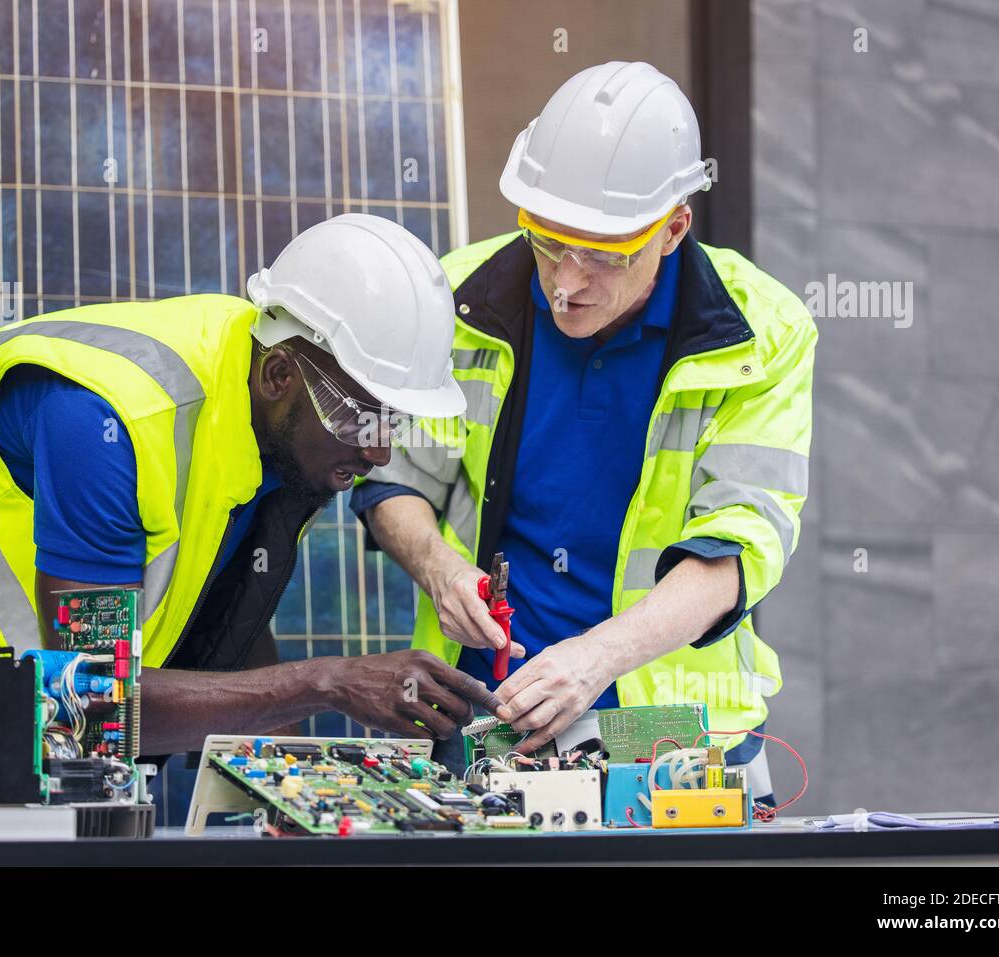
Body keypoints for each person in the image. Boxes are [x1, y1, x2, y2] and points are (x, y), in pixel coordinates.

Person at [0, 213, 501, 797]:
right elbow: (88, 707)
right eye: (362, 419)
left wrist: (302, 784)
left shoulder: (282, 419)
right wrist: (328, 682)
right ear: (280, 373)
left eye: (394, 424)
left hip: (18, 636)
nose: (379, 452)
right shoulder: (109, 422)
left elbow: (234, 622)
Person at [350, 63, 817, 802]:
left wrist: (598, 658)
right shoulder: (458, 298)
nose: (566, 282)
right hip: (486, 722)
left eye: (602, 255)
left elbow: (740, 545)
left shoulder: (767, 333)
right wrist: (438, 567)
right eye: (546, 242)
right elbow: (395, 480)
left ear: (672, 229)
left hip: (679, 737)